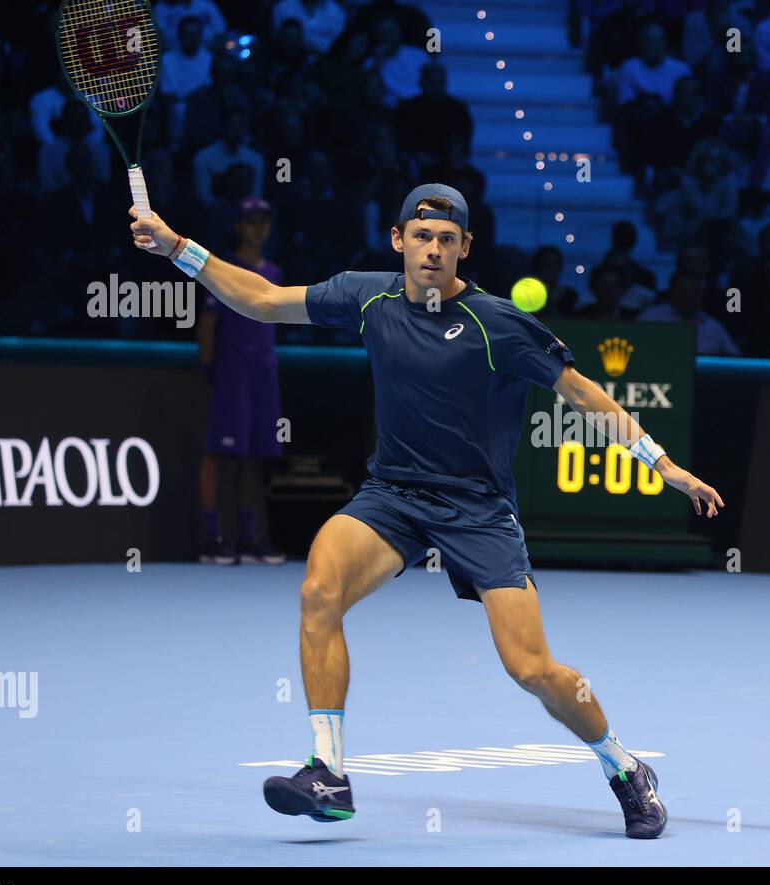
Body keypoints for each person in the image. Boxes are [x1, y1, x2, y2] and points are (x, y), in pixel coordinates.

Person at [129, 183, 724, 838]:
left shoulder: (498, 324)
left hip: (478, 510)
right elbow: (265, 301)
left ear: (464, 247)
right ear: (398, 240)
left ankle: (622, 766)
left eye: (447, 239)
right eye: (422, 236)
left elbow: (583, 395)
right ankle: (327, 771)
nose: (433, 249)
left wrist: (662, 464)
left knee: (531, 668)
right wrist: (178, 249)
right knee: (318, 592)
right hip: (394, 497)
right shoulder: (368, 297)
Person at [197, 198, 288, 566]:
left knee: (255, 455)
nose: (258, 228)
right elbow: (207, 325)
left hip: (264, 373)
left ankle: (250, 538)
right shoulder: (224, 269)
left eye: (264, 221)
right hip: (231, 372)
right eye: (251, 221)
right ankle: (211, 539)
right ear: (239, 226)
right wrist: (209, 371)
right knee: (219, 453)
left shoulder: (276, 272)